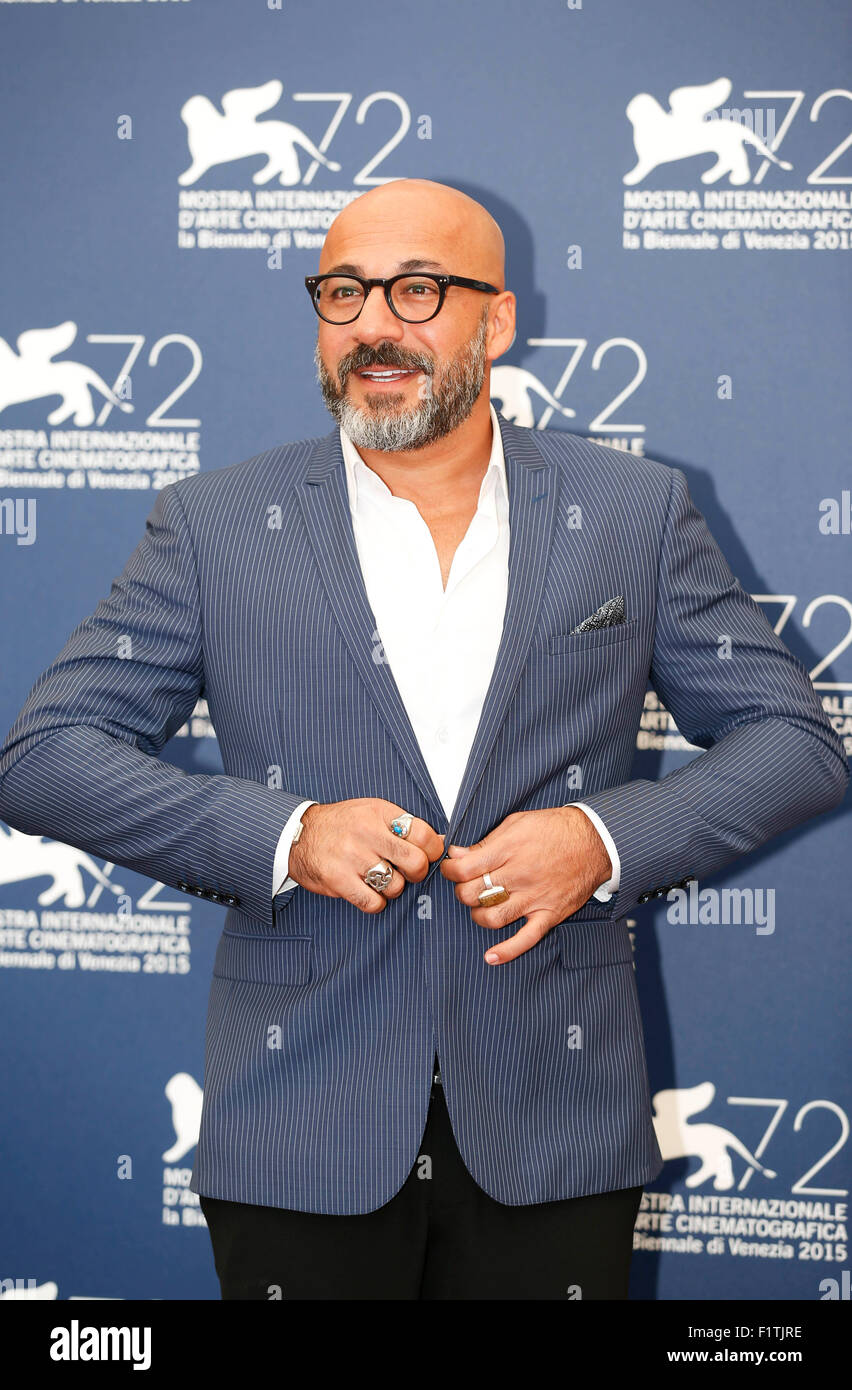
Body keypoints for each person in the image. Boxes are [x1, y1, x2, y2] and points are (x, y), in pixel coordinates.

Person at [0, 180, 846, 1301]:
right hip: (299, 1125)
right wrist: (288, 833)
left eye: (417, 289)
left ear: (496, 321)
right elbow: (46, 754)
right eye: (343, 292)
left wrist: (599, 840)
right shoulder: (210, 524)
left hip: (556, 1119)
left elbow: (792, 737)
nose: (373, 325)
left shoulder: (633, 510)